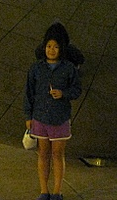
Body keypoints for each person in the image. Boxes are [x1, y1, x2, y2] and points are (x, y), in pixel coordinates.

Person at [24, 24, 82, 200]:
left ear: (61, 49)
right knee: (43, 154)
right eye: (48, 46)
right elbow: (29, 92)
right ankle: (44, 191)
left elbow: (77, 90)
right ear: (44, 47)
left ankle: (57, 192)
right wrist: (28, 116)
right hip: (40, 116)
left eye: (56, 46)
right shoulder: (36, 68)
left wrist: (63, 94)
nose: (51, 50)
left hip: (60, 117)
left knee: (57, 154)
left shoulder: (68, 68)